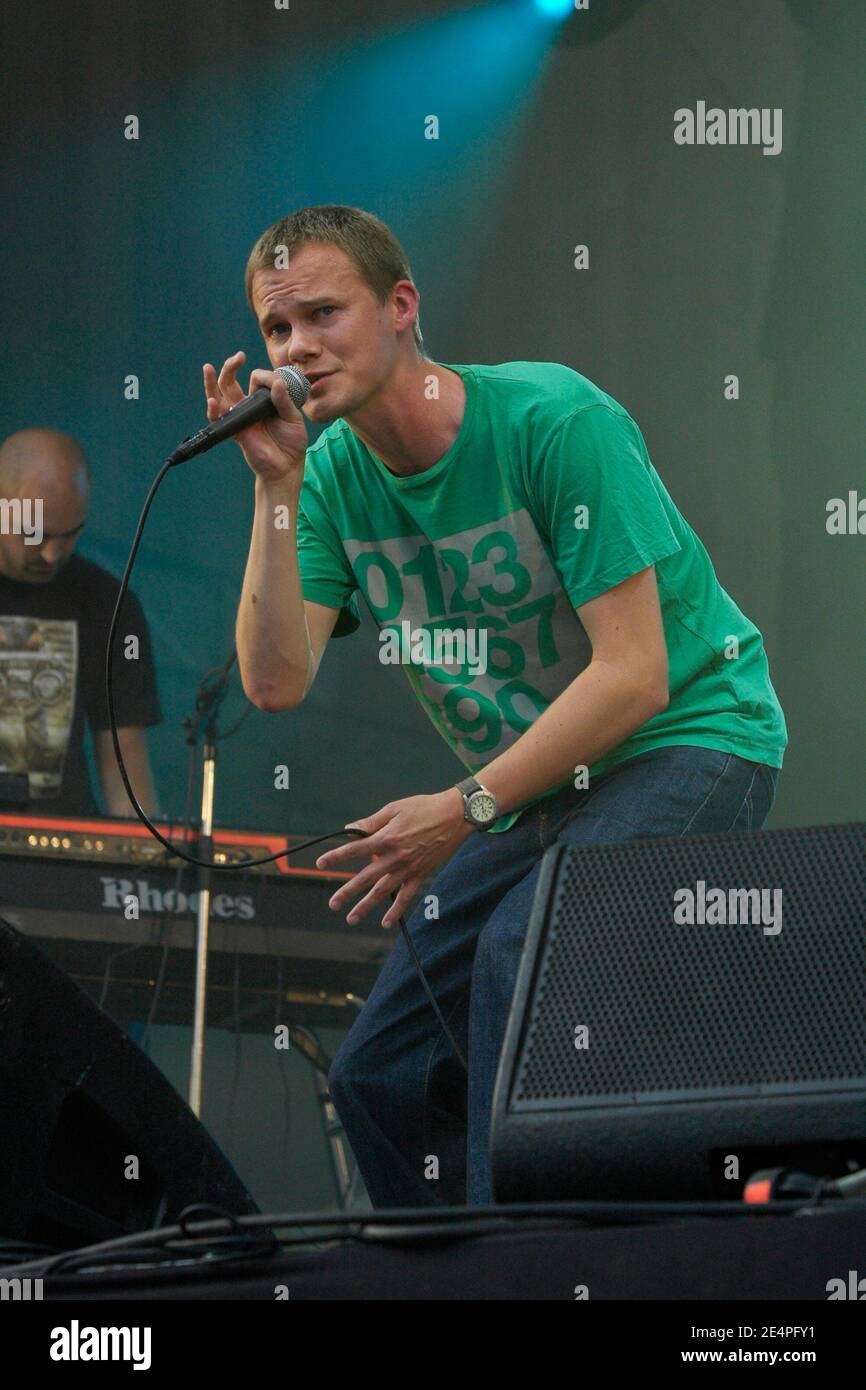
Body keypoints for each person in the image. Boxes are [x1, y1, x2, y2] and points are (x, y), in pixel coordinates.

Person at [204, 203, 787, 1207]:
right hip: (534, 784)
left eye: (322, 316)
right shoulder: (329, 477)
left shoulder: (553, 421)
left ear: (399, 308)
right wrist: (276, 486)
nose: (296, 349)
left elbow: (634, 675)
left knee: (525, 948)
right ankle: (439, 1280)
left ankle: (515, 1277)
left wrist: (463, 807)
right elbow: (273, 680)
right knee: (375, 1070)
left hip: (687, 739)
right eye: (275, 330)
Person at [0, 429, 161, 818]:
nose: (52, 554)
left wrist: (147, 870)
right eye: (34, 533)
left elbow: (126, 777)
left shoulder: (108, 604)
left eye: (69, 535)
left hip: (59, 854)